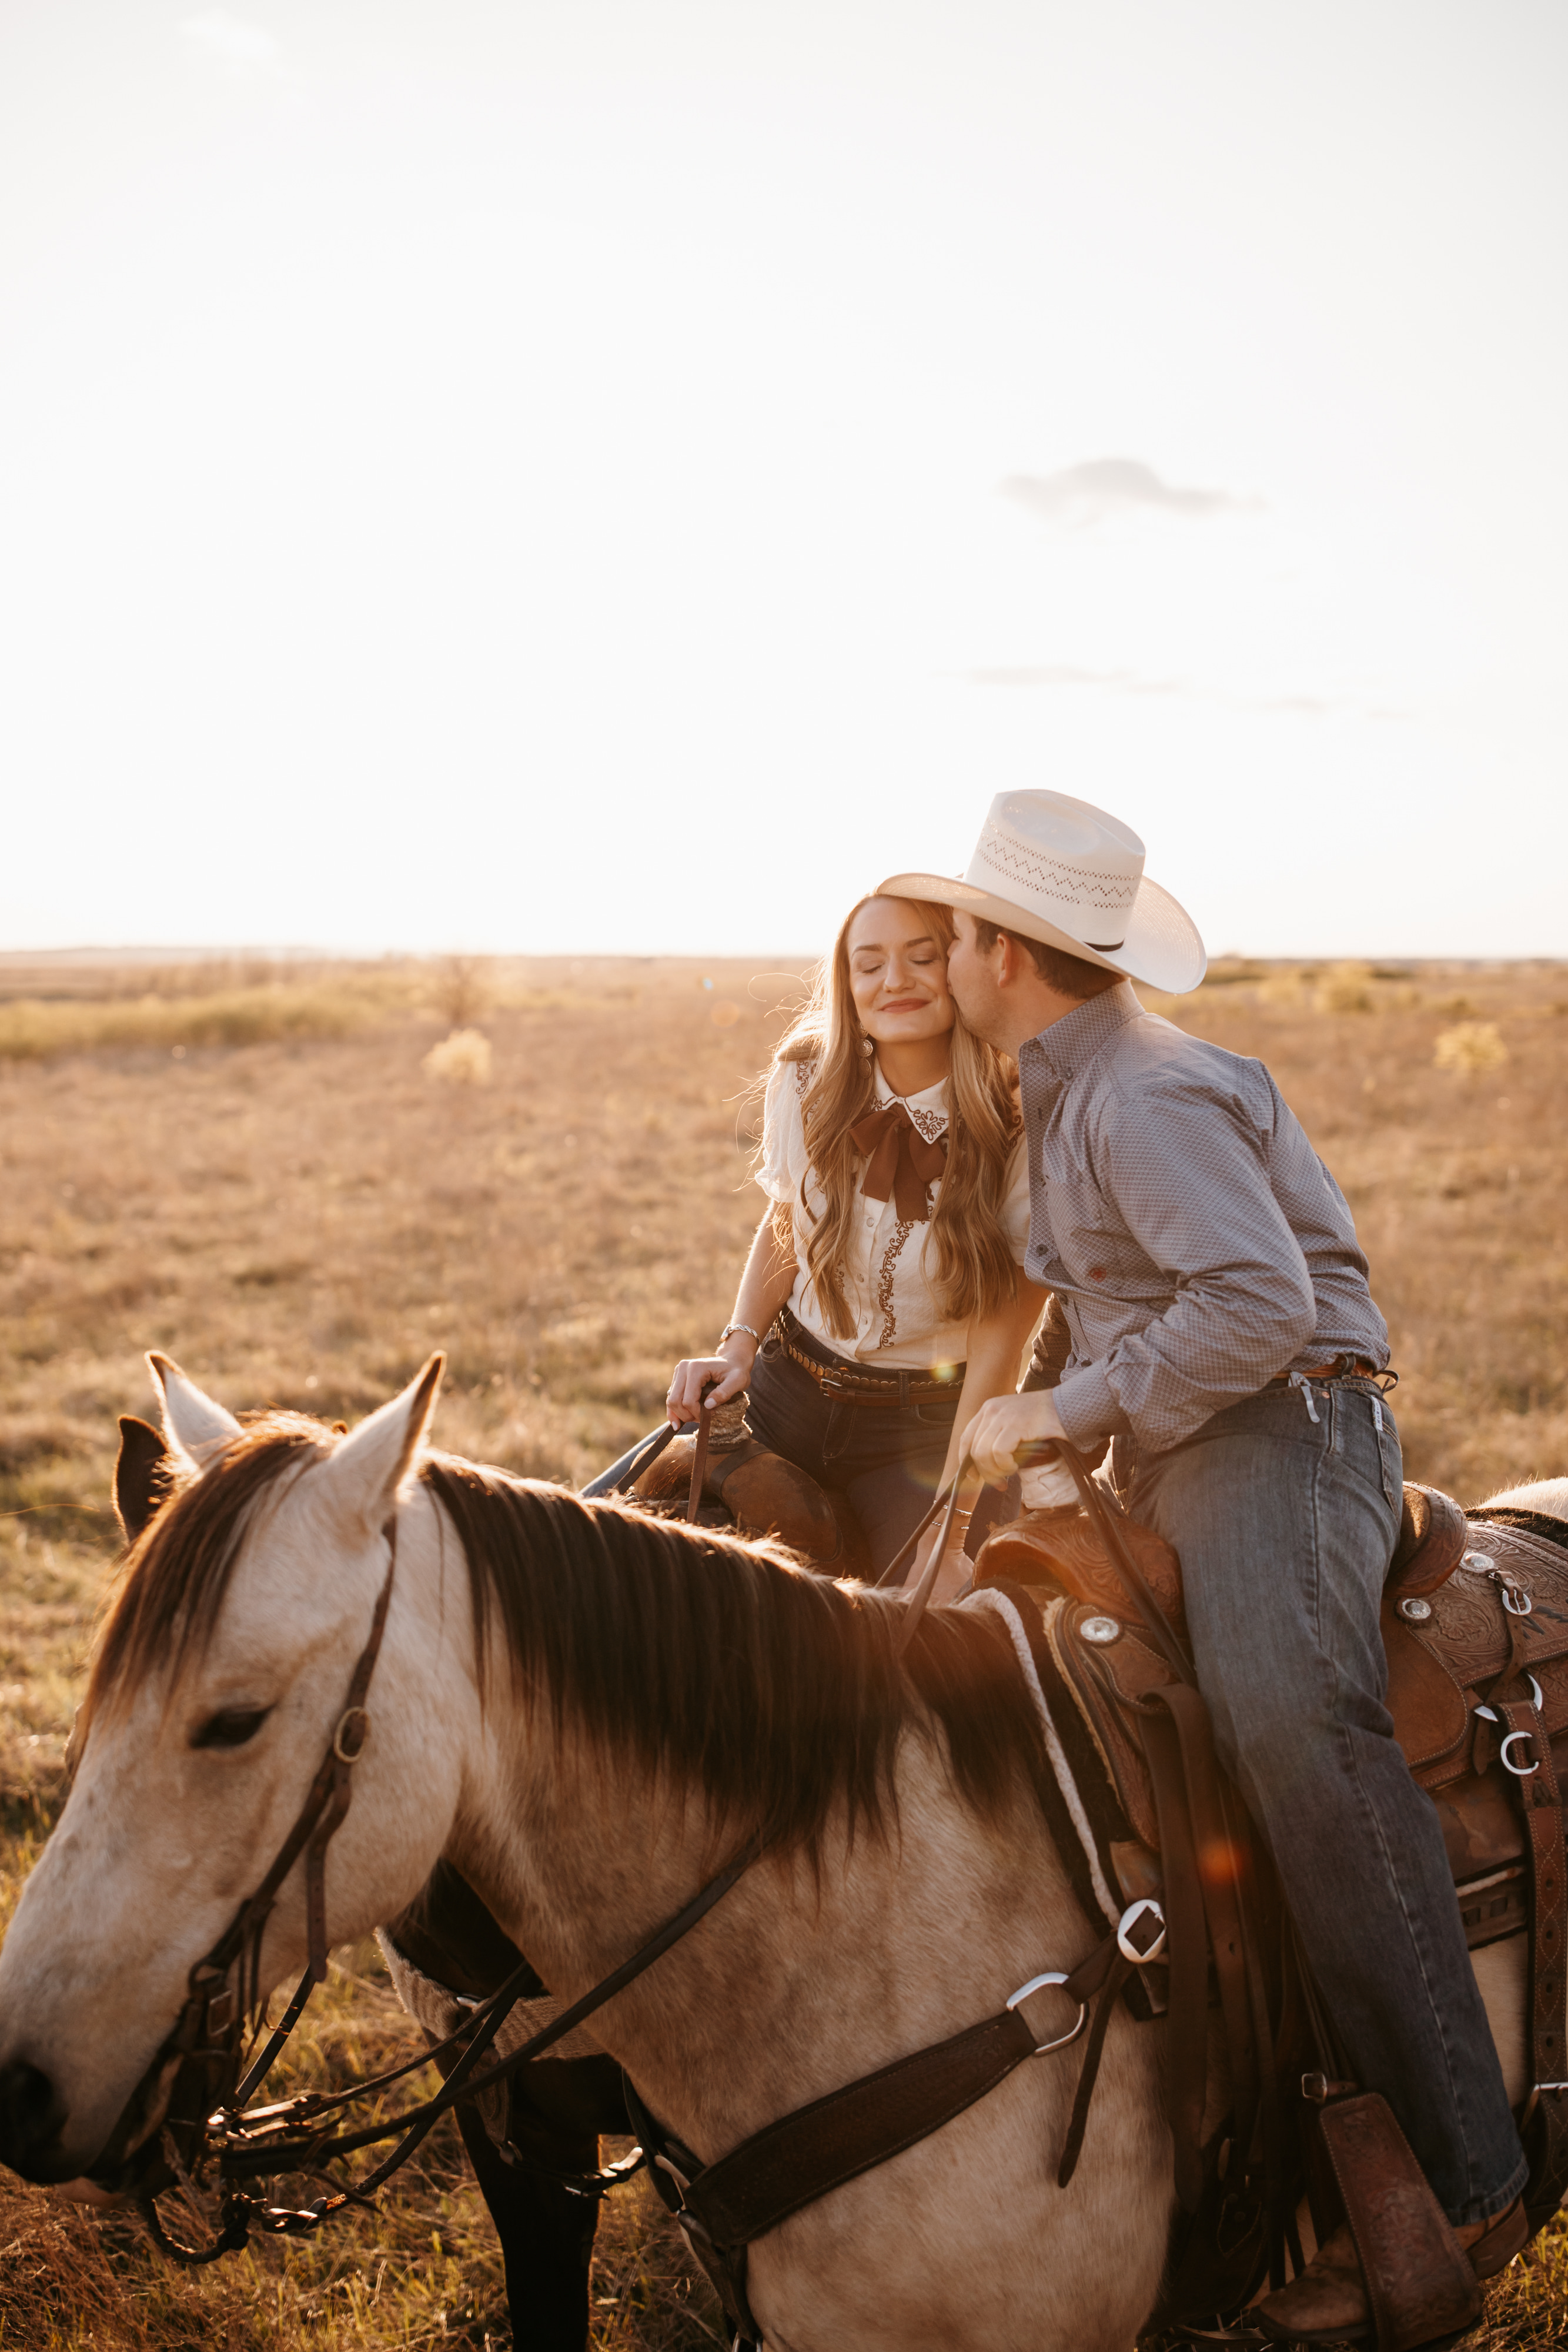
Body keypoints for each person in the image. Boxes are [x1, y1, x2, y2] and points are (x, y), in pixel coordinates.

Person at [877, 790, 1527, 2344]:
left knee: (1291, 1732)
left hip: (1280, 1439)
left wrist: (1074, 1408)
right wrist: (1021, 1414)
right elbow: (1097, 1291)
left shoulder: (1146, 1099)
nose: (946, 956)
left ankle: (1466, 2171)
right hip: (1174, 1439)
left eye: (960, 934)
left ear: (1008, 954)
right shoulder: (1064, 1087)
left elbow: (1252, 1308)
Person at [666, 892, 1047, 1582]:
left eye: (921, 957)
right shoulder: (806, 1078)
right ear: (847, 986)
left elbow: (1003, 1340)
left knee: (929, 1631)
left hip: (927, 1431)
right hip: (789, 1392)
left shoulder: (1019, 1119)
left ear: (960, 966)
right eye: (868, 965)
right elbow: (786, 1219)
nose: (893, 980)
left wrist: (952, 1525)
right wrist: (738, 1344)